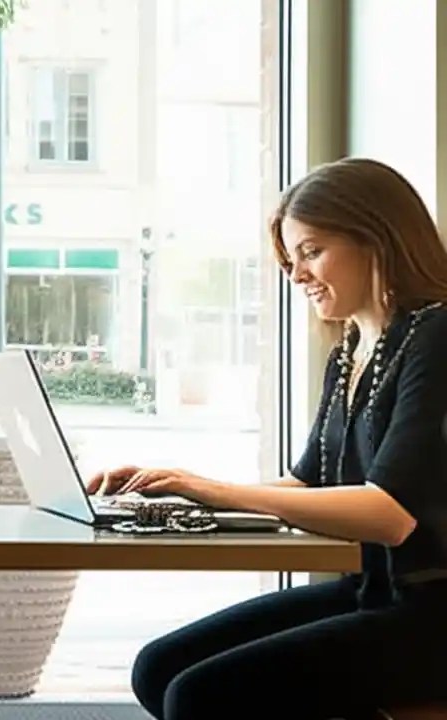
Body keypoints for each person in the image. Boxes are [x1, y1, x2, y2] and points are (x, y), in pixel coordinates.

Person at [88, 157, 447, 719]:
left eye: (311, 251)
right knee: (157, 667)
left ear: (376, 237)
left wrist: (216, 491)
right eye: (290, 259)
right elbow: (306, 483)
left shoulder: (436, 336)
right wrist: (177, 493)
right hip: (376, 593)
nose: (297, 274)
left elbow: (390, 513)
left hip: (431, 615)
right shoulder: (352, 350)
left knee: (199, 696)